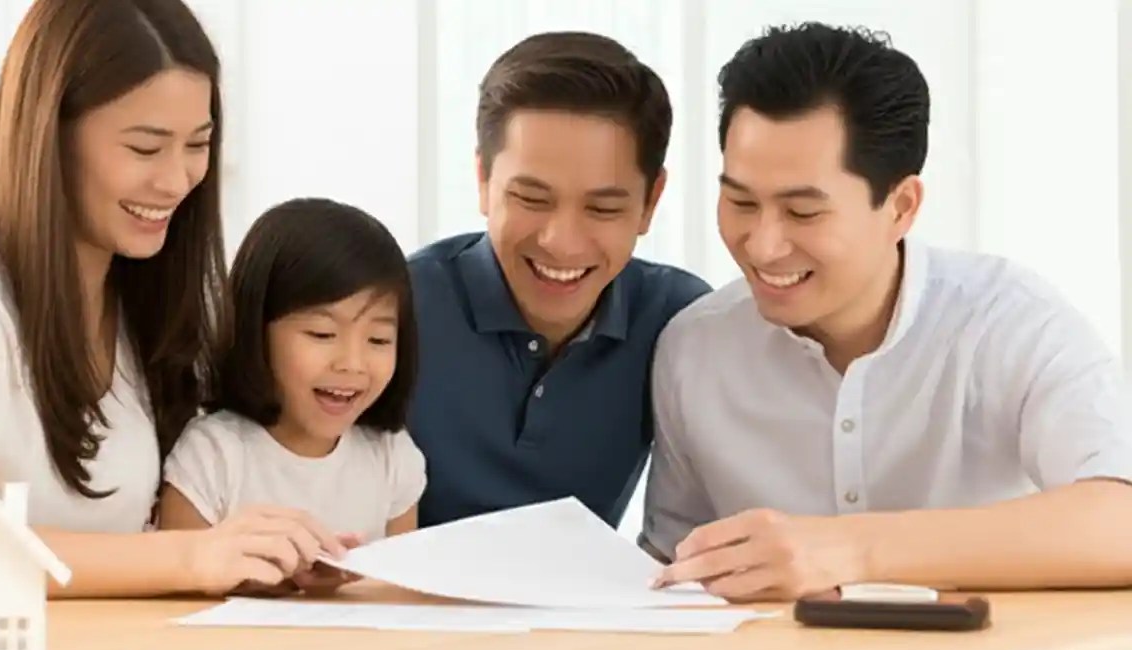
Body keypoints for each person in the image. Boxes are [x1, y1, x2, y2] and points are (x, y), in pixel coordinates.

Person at [0, 0, 346, 601]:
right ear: (48, 135)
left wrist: (262, 555)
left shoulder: (149, 308)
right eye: (145, 148)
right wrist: (192, 556)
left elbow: (140, 549)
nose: (176, 180)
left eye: (198, 144)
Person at [646, 22, 1132, 600]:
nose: (762, 244)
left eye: (803, 213)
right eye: (740, 202)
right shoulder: (695, 348)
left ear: (900, 207)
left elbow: (1119, 518)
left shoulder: (1008, 321)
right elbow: (670, 574)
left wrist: (851, 551)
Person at [407, 31, 711, 529]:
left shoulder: (680, 320)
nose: (561, 242)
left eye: (603, 208)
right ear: (483, 181)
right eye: (531, 199)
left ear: (650, 202)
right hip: (404, 603)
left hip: (590, 604)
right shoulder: (398, 308)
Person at [158, 198, 426, 594]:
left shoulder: (391, 457)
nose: (352, 363)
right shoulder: (213, 455)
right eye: (321, 334)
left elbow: (398, 594)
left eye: (378, 339)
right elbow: (173, 592)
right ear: (255, 329)